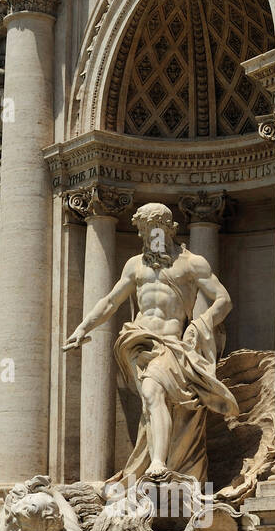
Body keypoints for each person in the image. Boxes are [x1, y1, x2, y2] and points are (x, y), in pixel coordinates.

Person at [64, 202, 238, 485]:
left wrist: (199, 324)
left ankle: (159, 462)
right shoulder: (135, 265)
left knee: (154, 392)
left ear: (170, 230)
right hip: (139, 342)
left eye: (156, 231)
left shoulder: (192, 263)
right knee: (151, 399)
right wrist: (83, 327)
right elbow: (110, 301)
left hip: (172, 343)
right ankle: (157, 460)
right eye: (145, 232)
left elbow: (224, 300)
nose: (151, 238)